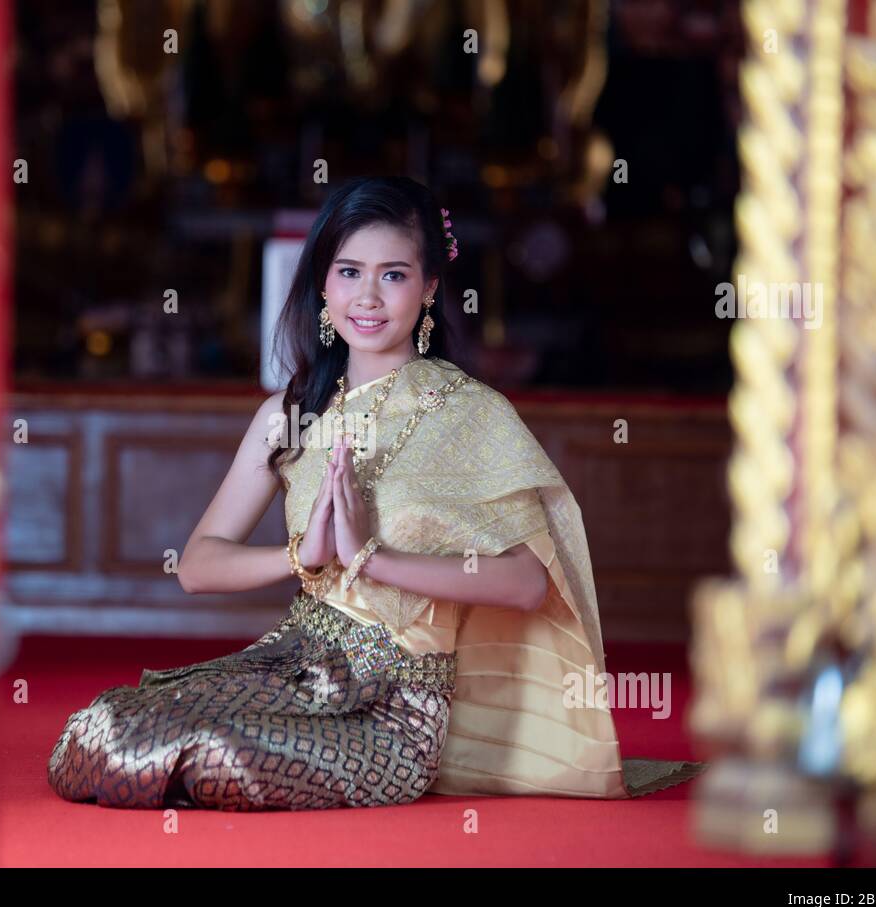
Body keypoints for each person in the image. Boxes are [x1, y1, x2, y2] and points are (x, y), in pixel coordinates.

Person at [48, 175, 706, 810]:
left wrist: (371, 557)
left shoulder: (473, 413)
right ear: (323, 285)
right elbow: (197, 565)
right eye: (348, 272)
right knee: (101, 729)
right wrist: (302, 554)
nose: (367, 296)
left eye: (393, 274)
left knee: (218, 757)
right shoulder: (292, 413)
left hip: (396, 711)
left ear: (428, 290)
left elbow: (526, 583)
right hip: (294, 666)